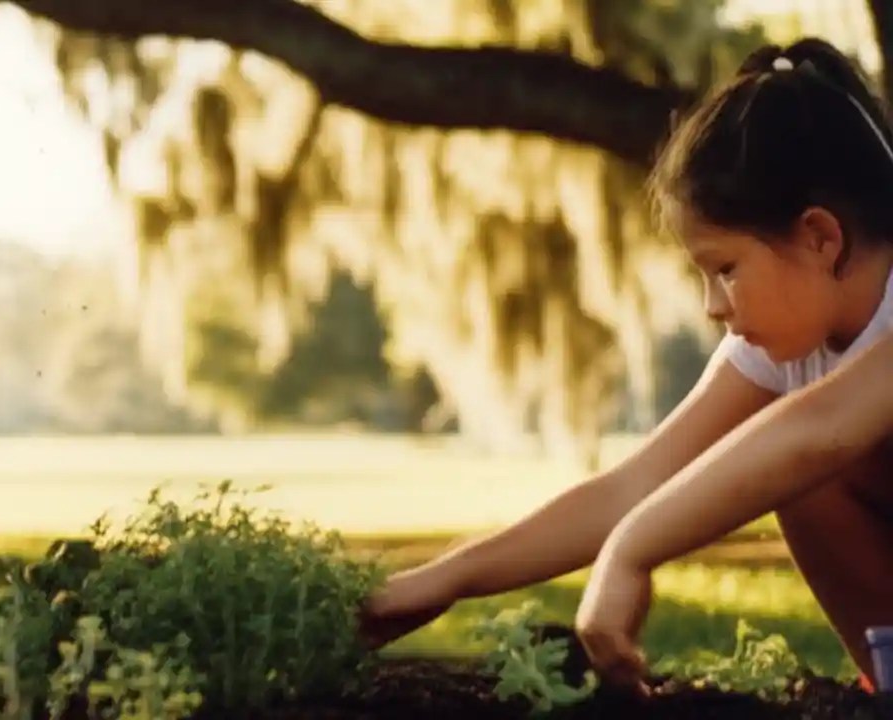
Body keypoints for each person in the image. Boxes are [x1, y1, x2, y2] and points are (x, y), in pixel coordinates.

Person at [359, 37, 893, 696]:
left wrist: (632, 550)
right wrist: (436, 583)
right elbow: (633, 485)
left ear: (820, 237)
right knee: (790, 472)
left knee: (790, 456)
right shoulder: (787, 342)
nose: (710, 307)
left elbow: (822, 430)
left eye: (725, 270)